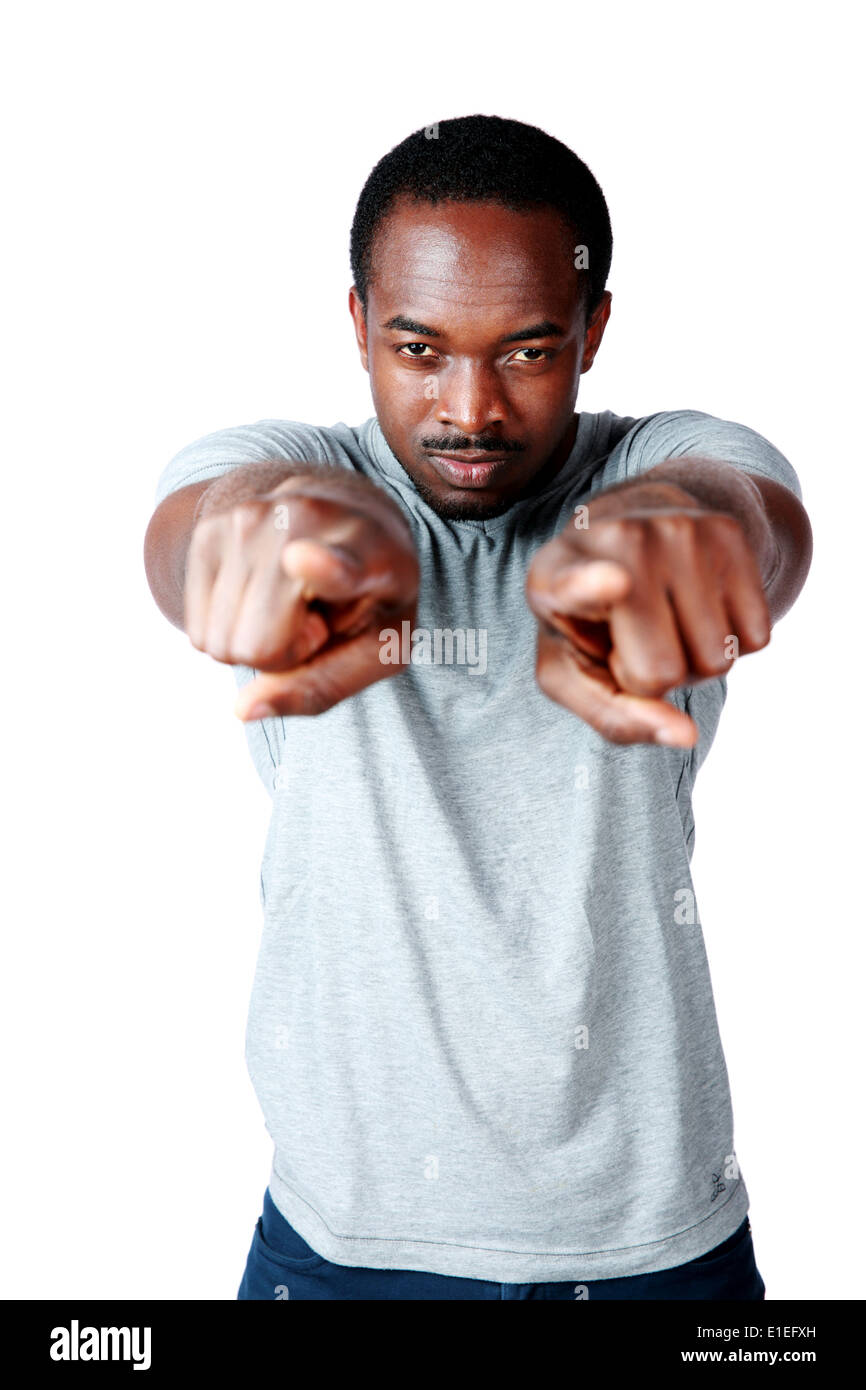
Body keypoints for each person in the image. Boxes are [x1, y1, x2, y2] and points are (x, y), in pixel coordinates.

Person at [143, 114, 812, 1301]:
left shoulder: (660, 459)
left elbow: (750, 519)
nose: (471, 408)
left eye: (526, 350)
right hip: (340, 1244)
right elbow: (195, 531)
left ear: (593, 330)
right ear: (355, 324)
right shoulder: (292, 464)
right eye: (417, 349)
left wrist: (681, 540)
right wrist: (266, 538)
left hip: (654, 1247)